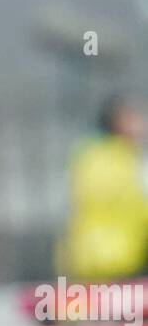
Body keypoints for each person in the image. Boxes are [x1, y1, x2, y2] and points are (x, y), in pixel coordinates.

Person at [56, 94, 148, 284]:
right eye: (134, 118)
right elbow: (129, 202)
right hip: (112, 257)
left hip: (97, 256)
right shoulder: (111, 158)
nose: (141, 124)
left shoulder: (96, 154)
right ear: (117, 122)